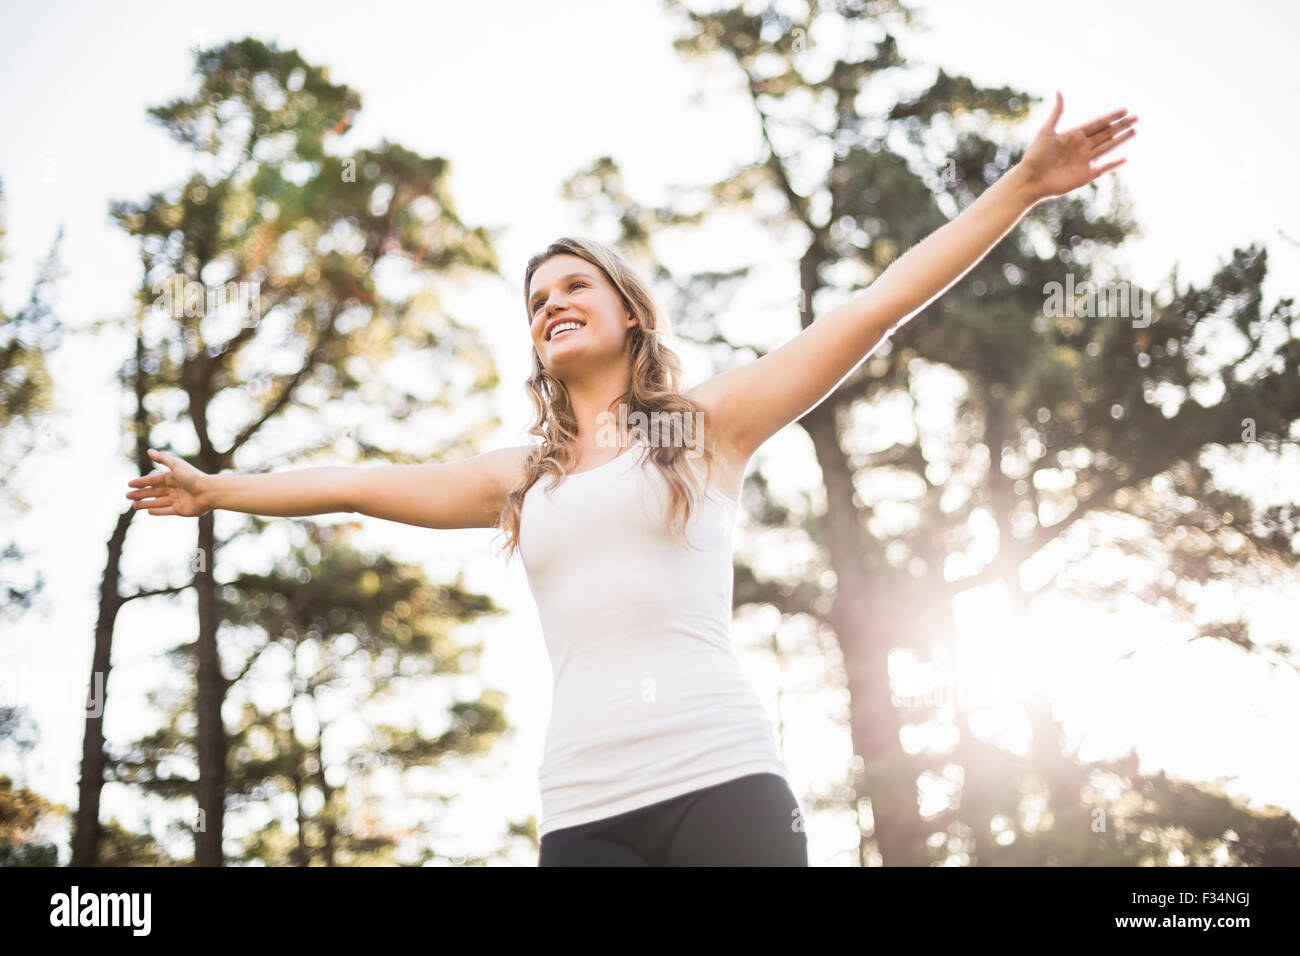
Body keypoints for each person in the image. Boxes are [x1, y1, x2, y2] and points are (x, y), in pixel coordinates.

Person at [125, 93, 1137, 865]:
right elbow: (358, 481)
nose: (550, 304)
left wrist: (1020, 186)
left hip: (722, 774)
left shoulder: (703, 429)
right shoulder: (519, 478)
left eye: (573, 286)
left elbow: (871, 308)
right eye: (534, 301)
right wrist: (221, 489)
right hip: (582, 805)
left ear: (629, 314)